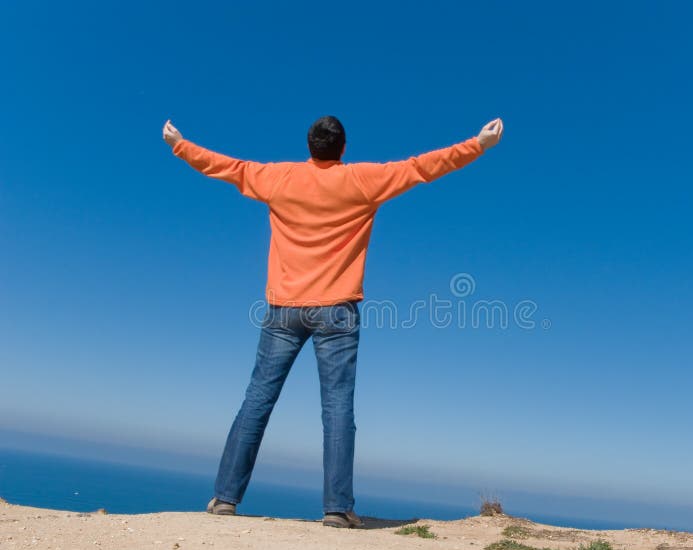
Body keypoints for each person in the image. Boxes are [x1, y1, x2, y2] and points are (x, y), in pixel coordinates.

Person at [163, 115, 504, 527]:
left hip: (283, 308)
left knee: (257, 400)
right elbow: (422, 167)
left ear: (310, 147)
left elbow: (225, 166)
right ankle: (337, 509)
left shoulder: (278, 177)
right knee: (338, 407)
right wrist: (478, 144)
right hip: (337, 308)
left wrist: (180, 144)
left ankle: (225, 499)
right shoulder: (362, 180)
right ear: (342, 149)